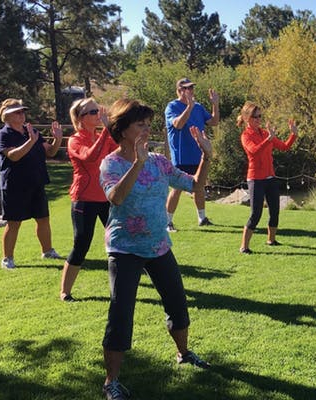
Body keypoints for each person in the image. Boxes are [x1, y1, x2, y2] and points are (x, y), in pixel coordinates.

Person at [99, 99, 211, 399]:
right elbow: (116, 198)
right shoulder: (111, 163)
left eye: (149, 124)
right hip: (124, 249)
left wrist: (206, 158)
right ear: (122, 130)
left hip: (159, 246)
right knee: (121, 314)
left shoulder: (160, 161)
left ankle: (184, 353)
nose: (147, 129)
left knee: (178, 304)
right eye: (140, 125)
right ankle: (111, 381)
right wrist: (137, 162)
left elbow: (194, 186)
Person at [59, 98, 118, 301]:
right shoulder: (75, 140)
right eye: (92, 112)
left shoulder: (103, 136)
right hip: (84, 199)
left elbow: (117, 151)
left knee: (120, 238)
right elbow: (91, 157)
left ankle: (127, 279)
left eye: (97, 111)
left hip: (106, 196)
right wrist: (106, 132)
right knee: (82, 244)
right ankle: (65, 291)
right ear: (80, 119)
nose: (97, 114)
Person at [0, 98, 64, 269]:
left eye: (22, 111)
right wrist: (31, 142)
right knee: (14, 223)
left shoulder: (31, 131)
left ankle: (47, 251)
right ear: (7, 116)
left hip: (36, 182)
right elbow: (14, 156)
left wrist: (58, 140)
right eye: (17, 112)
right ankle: (7, 259)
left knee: (43, 219)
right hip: (15, 185)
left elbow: (51, 152)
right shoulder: (3, 134)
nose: (22, 114)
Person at [237, 102, 298, 253]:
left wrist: (293, 135)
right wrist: (268, 139)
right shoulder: (246, 136)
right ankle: (244, 246)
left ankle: (271, 240)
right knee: (255, 213)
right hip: (255, 178)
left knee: (275, 210)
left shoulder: (265, 133)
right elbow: (254, 151)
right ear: (246, 118)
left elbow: (284, 146)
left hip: (270, 177)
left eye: (260, 116)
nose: (258, 119)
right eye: (255, 116)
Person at [165, 78, 219, 231]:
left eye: (191, 88)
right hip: (181, 156)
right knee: (177, 188)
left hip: (199, 155)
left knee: (200, 187)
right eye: (186, 88)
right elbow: (178, 124)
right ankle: (167, 222)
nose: (190, 91)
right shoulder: (172, 106)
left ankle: (202, 218)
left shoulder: (199, 107)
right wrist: (189, 107)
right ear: (179, 91)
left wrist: (215, 104)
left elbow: (214, 122)